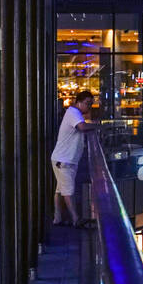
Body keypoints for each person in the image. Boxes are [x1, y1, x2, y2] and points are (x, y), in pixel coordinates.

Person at [51, 89, 94, 226]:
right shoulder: (74, 113)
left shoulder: (73, 113)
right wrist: (97, 126)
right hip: (65, 160)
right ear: (79, 102)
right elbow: (81, 127)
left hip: (63, 159)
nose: (89, 107)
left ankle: (57, 218)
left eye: (91, 104)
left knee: (60, 190)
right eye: (87, 103)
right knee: (68, 191)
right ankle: (76, 219)